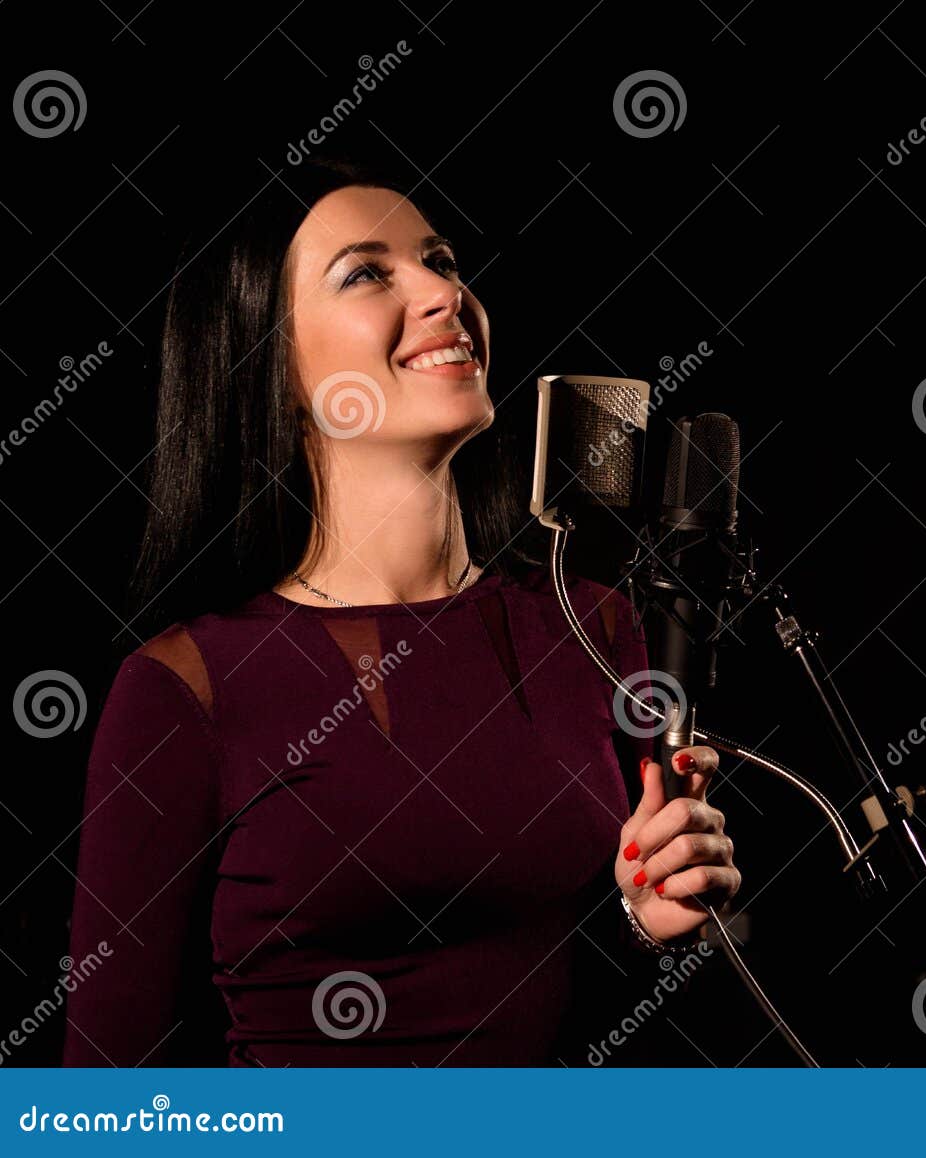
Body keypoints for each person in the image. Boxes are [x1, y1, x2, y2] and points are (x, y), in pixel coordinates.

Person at [60, 159, 740, 1066]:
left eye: (441, 259)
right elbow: (105, 1086)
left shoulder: (595, 627)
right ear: (272, 362)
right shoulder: (184, 687)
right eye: (368, 273)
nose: (442, 292)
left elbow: (643, 1020)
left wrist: (649, 927)